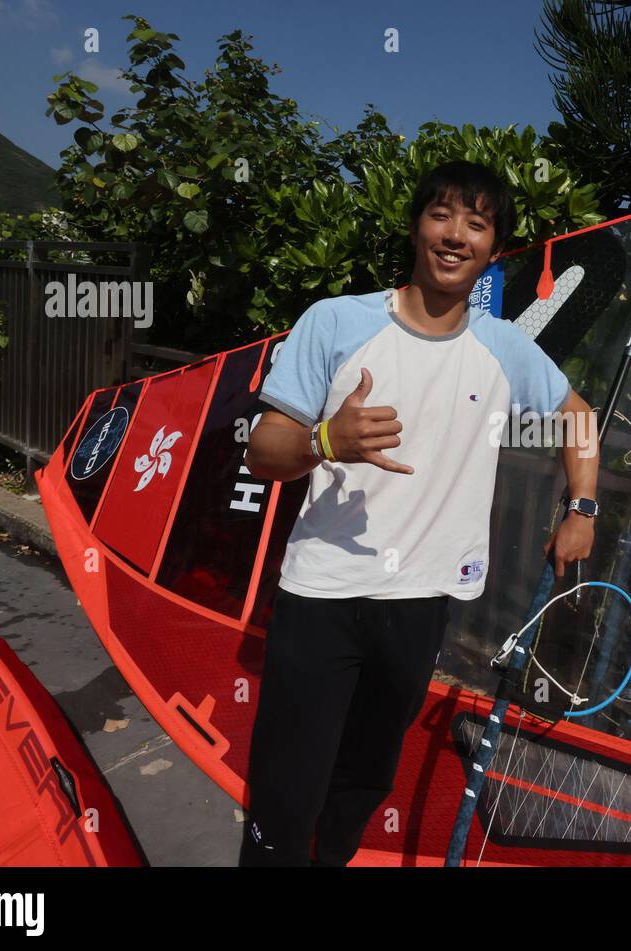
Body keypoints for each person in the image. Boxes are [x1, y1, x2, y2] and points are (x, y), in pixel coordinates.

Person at [238, 160, 600, 866]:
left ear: (495, 249)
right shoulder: (336, 322)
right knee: (287, 790)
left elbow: (577, 419)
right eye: (442, 215)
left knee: (364, 781)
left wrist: (581, 508)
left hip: (422, 602)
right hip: (322, 595)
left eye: (477, 223)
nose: (455, 235)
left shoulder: (504, 349)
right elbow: (262, 450)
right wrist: (324, 438)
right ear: (415, 225)